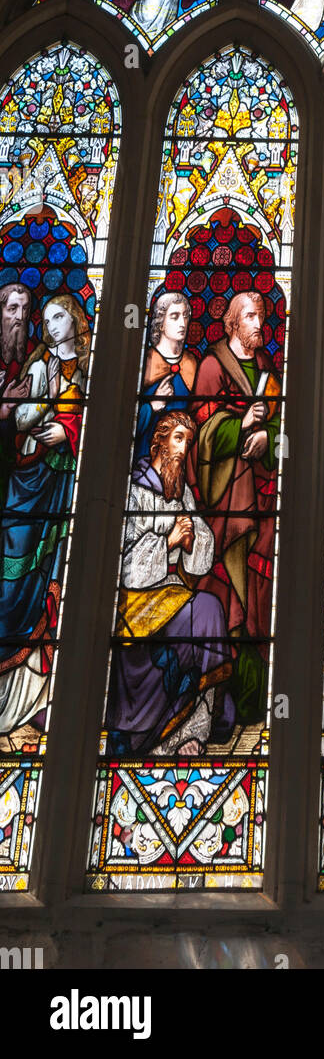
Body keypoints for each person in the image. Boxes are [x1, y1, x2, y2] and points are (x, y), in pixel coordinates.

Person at [106, 412, 236, 756]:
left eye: (188, 442)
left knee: (208, 610)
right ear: (160, 440)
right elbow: (126, 564)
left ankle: (193, 730)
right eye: (178, 438)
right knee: (204, 609)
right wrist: (169, 543)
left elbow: (201, 541)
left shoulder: (181, 491)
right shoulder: (133, 489)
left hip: (170, 593)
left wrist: (194, 540)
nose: (183, 449)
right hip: (133, 605)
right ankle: (154, 734)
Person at [0, 293, 90, 741]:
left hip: (67, 483)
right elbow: (21, 421)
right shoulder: (41, 367)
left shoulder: (91, 368)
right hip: (30, 480)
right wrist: (51, 408)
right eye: (47, 319)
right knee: (15, 577)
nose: (52, 325)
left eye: (60, 317)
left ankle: (40, 695)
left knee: (54, 576)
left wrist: (71, 431)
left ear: (75, 321)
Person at [191, 291, 280, 723]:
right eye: (250, 315)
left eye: (261, 315)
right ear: (231, 323)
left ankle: (251, 705)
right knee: (230, 597)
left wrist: (267, 438)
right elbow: (199, 430)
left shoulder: (267, 369)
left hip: (263, 501)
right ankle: (224, 704)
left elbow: (283, 427)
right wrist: (239, 425)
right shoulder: (212, 366)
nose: (259, 322)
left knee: (260, 601)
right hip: (224, 503)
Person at [134, 291, 197, 460]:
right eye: (174, 316)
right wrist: (152, 406)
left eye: (185, 316)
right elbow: (120, 424)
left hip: (182, 458)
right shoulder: (144, 362)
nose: (182, 323)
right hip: (146, 458)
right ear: (161, 323)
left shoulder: (192, 364)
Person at [0, 282, 32, 507]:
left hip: (18, 458)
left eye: (25, 309)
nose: (20, 317)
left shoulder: (35, 354)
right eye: (12, 309)